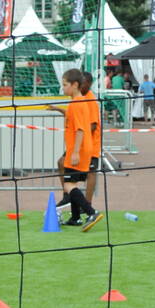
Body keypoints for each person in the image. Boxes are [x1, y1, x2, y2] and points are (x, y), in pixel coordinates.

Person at [52, 68, 99, 230]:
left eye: (65, 85)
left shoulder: (76, 104)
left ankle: (91, 212)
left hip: (79, 149)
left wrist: (76, 152)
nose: (63, 88)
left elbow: (80, 129)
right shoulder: (79, 103)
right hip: (81, 148)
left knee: (69, 185)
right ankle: (76, 218)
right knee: (72, 182)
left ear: (75, 85)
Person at [79, 69, 104, 221]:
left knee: (91, 173)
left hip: (90, 144)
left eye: (82, 82)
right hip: (80, 144)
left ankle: (87, 204)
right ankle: (77, 202)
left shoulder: (91, 100)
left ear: (88, 83)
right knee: (63, 165)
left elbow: (93, 125)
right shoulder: (79, 97)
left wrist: (80, 135)